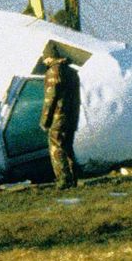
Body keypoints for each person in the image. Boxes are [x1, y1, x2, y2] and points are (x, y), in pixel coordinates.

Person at [39, 46, 81, 189]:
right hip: (71, 116)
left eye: (45, 58)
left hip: (58, 117)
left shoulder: (54, 71)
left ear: (49, 57)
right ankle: (73, 178)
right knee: (67, 147)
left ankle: (64, 179)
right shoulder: (71, 72)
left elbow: (50, 98)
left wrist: (45, 120)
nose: (44, 62)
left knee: (57, 148)